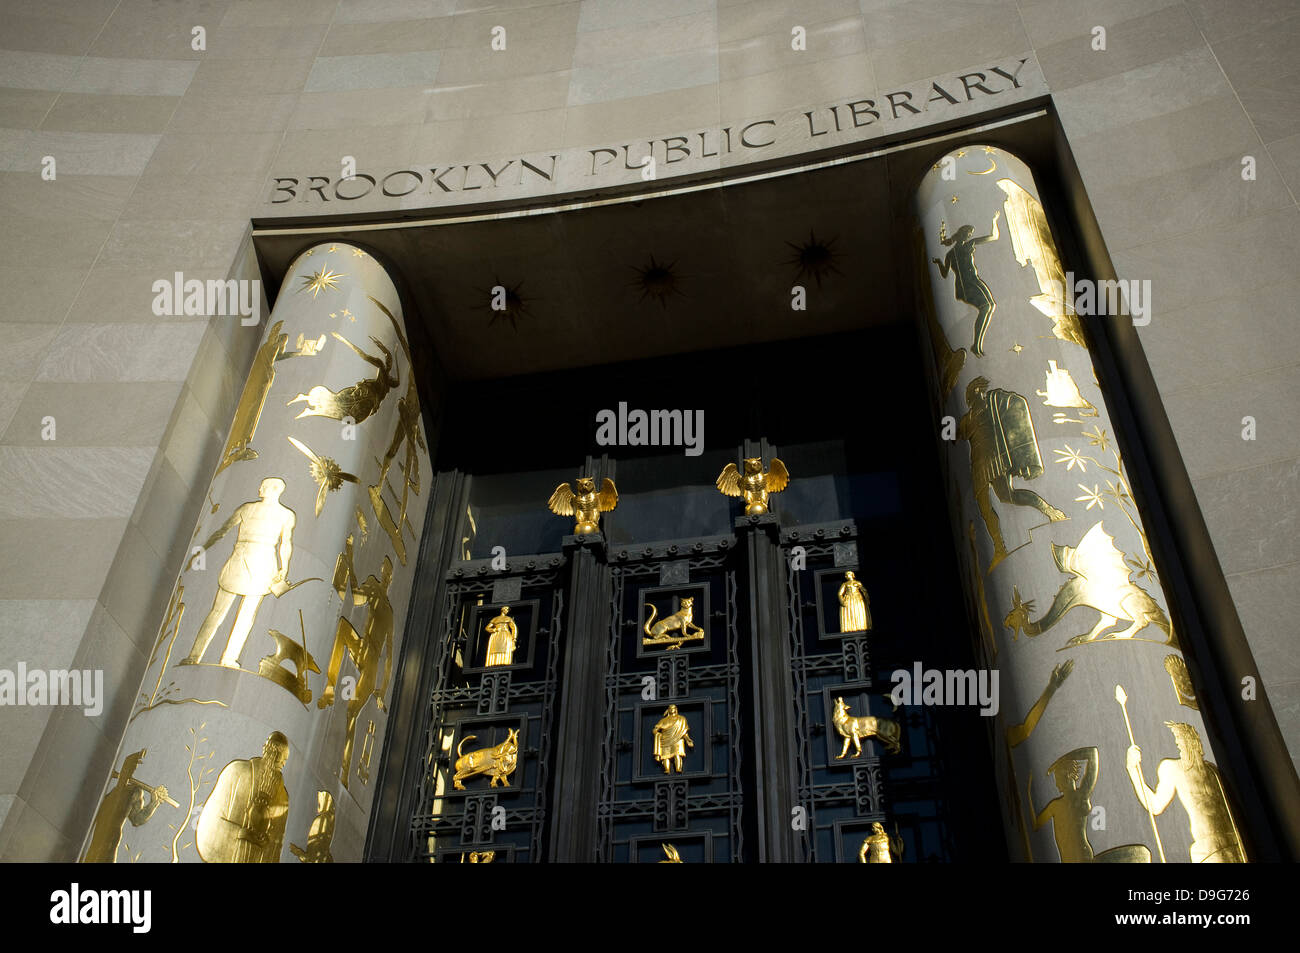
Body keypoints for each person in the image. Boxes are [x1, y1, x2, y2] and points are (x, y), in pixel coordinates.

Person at [182, 478, 297, 668]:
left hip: (263, 562)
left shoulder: (286, 515)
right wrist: (202, 549)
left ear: (275, 490)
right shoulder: (247, 508)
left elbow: (286, 543)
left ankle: (229, 658)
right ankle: (195, 655)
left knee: (245, 615)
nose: (259, 488)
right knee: (218, 611)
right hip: (240, 558)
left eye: (264, 486)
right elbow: (223, 530)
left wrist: (284, 568)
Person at [1126, 722, 1245, 863]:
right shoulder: (1173, 769)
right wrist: (1132, 769)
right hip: (1209, 851)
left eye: (1183, 740)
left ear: (1195, 742)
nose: (1181, 746)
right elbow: (1155, 805)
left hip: (1236, 846)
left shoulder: (1212, 771)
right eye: (1178, 743)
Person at [196, 732, 290, 863]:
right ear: (270, 752)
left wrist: (265, 840)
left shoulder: (282, 798)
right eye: (281, 757)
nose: (283, 763)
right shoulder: (237, 771)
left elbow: (276, 843)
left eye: (285, 760)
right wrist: (241, 833)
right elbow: (211, 821)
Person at [653, 705, 693, 774]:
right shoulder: (663, 720)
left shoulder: (681, 719)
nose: (672, 709)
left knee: (677, 755)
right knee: (665, 757)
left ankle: (678, 769)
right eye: (670, 708)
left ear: (676, 709)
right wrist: (656, 733)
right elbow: (655, 729)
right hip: (665, 740)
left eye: (673, 708)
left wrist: (687, 739)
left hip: (678, 739)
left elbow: (683, 732)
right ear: (668, 710)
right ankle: (667, 770)